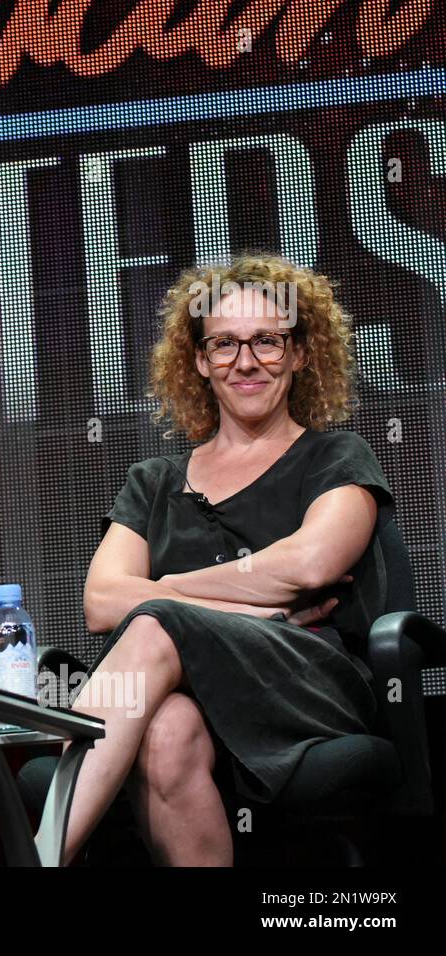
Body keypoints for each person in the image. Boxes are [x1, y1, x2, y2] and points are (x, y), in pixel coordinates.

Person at [56, 253, 393, 865]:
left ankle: (37, 858)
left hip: (303, 682)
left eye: (267, 340)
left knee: (154, 620)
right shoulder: (154, 481)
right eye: (224, 345)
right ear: (199, 362)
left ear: (299, 353)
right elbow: (101, 602)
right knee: (165, 732)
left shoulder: (335, 458)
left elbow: (311, 564)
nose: (245, 362)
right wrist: (256, 609)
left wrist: (166, 590)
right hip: (183, 689)